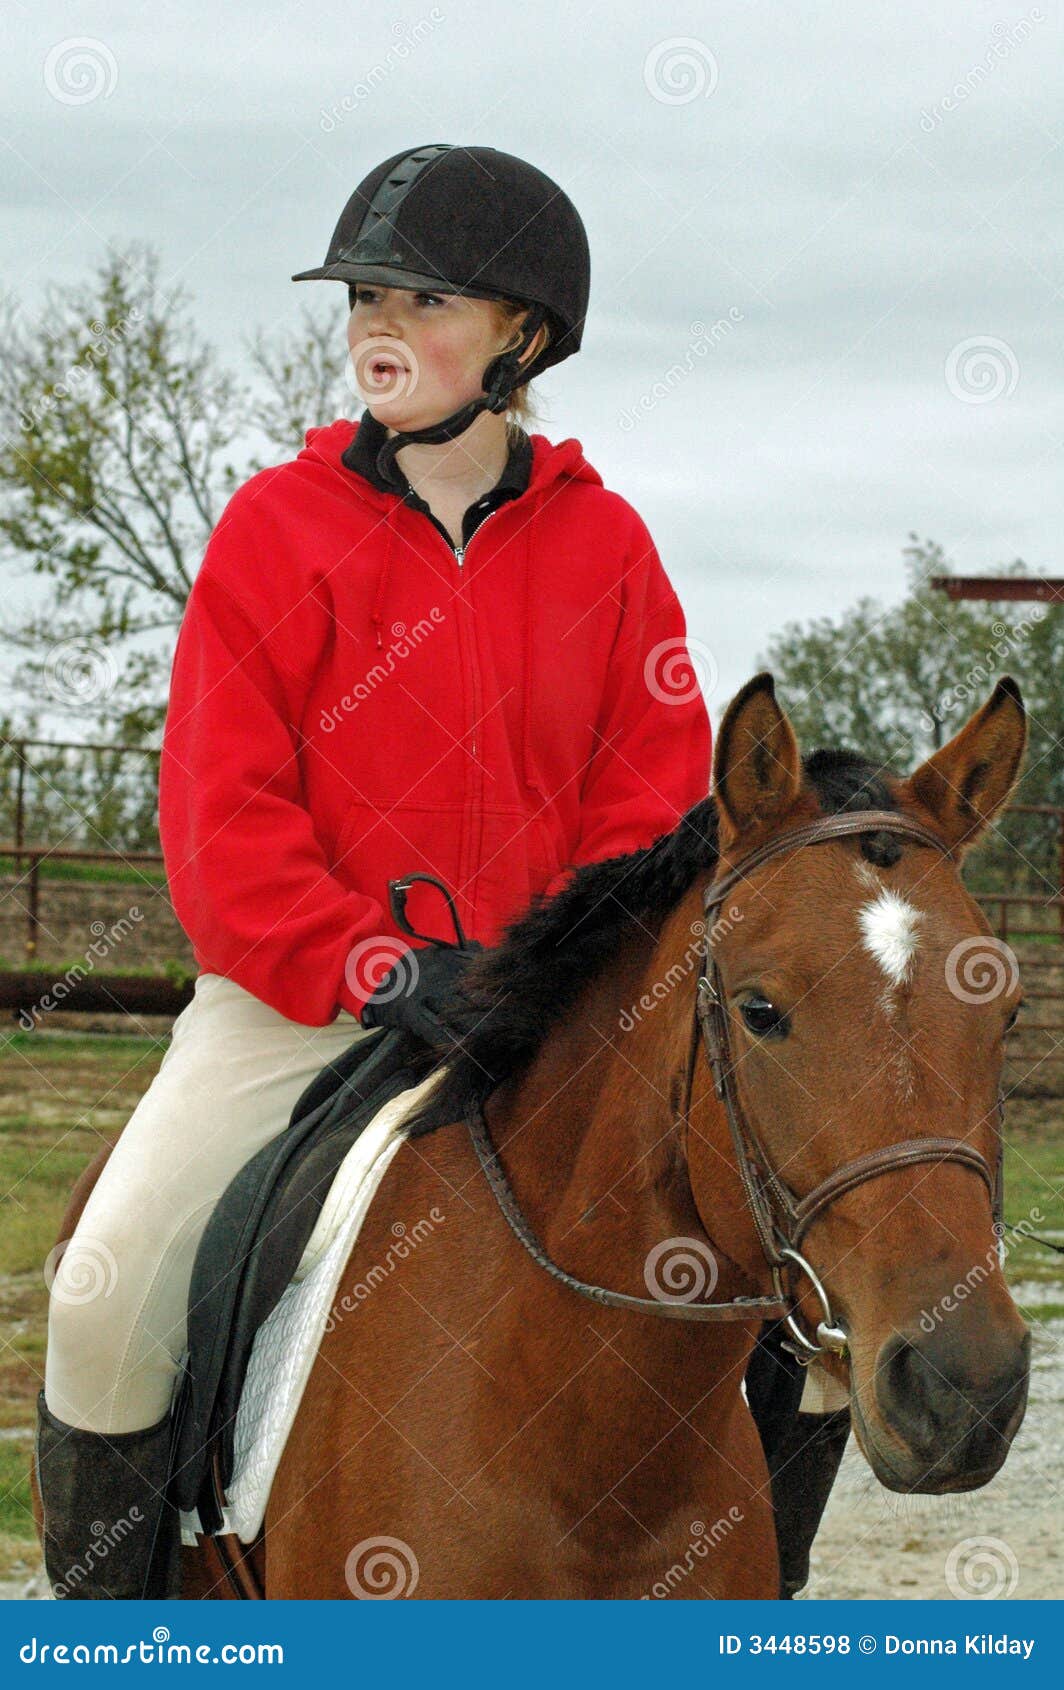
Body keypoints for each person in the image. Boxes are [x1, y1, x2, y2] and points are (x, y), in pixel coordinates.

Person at [34, 143, 845, 1601]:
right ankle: (126, 1627)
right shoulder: (272, 534)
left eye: (421, 299)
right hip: (301, 1006)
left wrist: (550, 969)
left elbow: (653, 806)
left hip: (554, 1020)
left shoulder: (607, 547)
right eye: (362, 298)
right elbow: (225, 811)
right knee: (105, 1289)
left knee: (805, 1306)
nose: (374, 327)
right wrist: (377, 962)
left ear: (522, 337)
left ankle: (751, 1599)